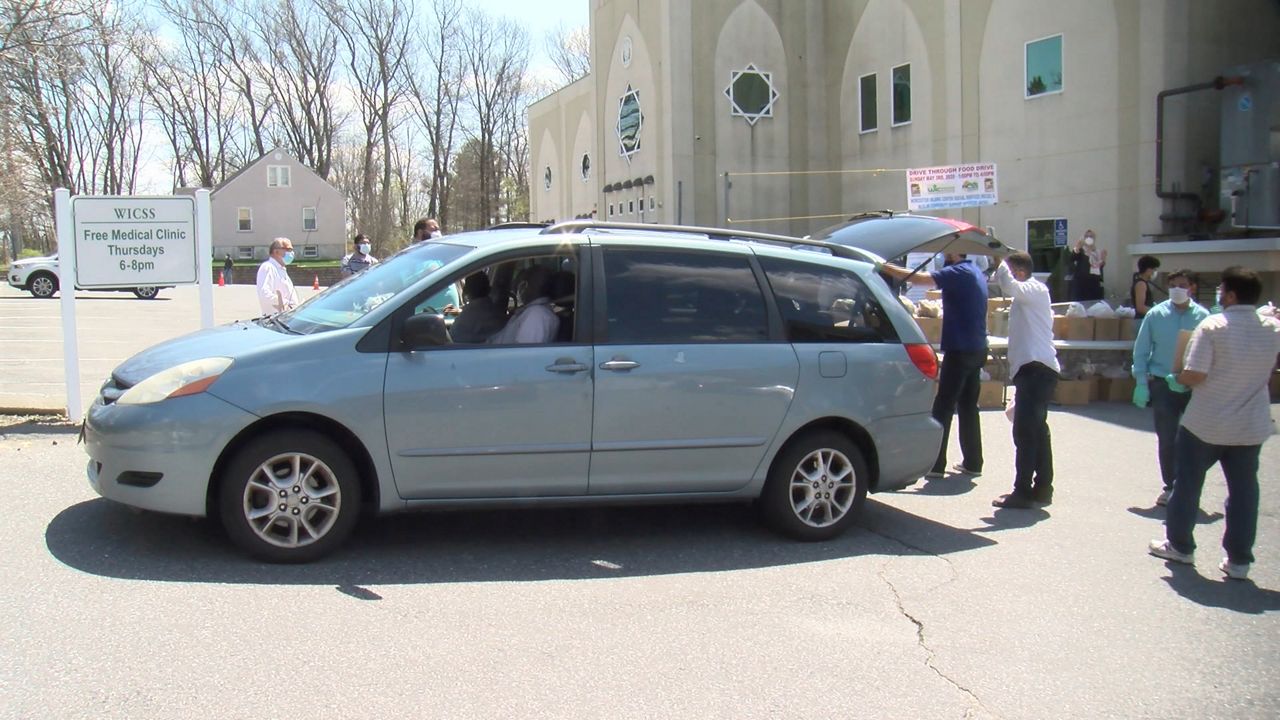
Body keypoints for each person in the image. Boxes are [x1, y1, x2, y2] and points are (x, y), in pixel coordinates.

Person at [1149, 266, 1280, 580]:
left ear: (1230, 294)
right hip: (1250, 424)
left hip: (1207, 422)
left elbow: (1195, 374)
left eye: (1222, 290)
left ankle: (1180, 545)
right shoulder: (1272, 328)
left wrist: (1177, 378)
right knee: (1244, 491)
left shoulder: (1213, 326)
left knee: (1187, 484)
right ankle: (1239, 560)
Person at [879, 252, 988, 478]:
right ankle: (974, 462)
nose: (946, 255)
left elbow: (919, 279)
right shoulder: (975, 272)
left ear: (957, 253)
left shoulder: (958, 272)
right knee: (968, 406)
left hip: (960, 349)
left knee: (943, 406)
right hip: (977, 347)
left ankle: (936, 464)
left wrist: (883, 267)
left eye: (949, 252)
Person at [1130, 269, 1209, 506]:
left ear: (1192, 288)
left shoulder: (1204, 317)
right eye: (1173, 285)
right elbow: (1141, 351)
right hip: (1164, 383)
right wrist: (1141, 383)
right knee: (1167, 438)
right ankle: (1171, 485)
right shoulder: (1156, 315)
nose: (1177, 289)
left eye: (1182, 285)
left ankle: (1190, 484)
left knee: (1198, 438)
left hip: (1195, 384)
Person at [990, 251, 1060, 508]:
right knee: (1037, 431)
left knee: (1026, 433)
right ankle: (1042, 488)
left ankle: (1023, 491)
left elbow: (1008, 284)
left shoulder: (1033, 288)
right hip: (1033, 370)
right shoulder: (1027, 296)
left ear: (1019, 271)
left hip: (1036, 369)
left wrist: (998, 259)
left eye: (1009, 270)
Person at [488, 265, 558, 344]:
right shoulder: (533, 311)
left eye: (519, 285)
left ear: (525, 285)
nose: (517, 289)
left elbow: (523, 353)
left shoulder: (537, 315)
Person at [449, 272, 507, 343]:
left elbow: (451, 339)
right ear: (489, 289)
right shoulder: (493, 311)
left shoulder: (469, 315)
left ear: (465, 290)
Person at [256, 237, 299, 315]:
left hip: (288, 317)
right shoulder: (268, 267)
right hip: (275, 320)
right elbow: (264, 293)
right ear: (276, 251)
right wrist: (285, 303)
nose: (291, 253)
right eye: (288, 249)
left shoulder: (281, 269)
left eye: (292, 250)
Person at [1068, 229, 1106, 302]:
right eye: (1087, 236)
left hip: (1093, 285)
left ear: (1094, 238)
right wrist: (1078, 247)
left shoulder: (1097, 252)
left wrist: (1103, 261)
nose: (1089, 238)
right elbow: (1072, 258)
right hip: (1081, 285)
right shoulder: (1081, 250)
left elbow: (1098, 269)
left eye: (1091, 236)